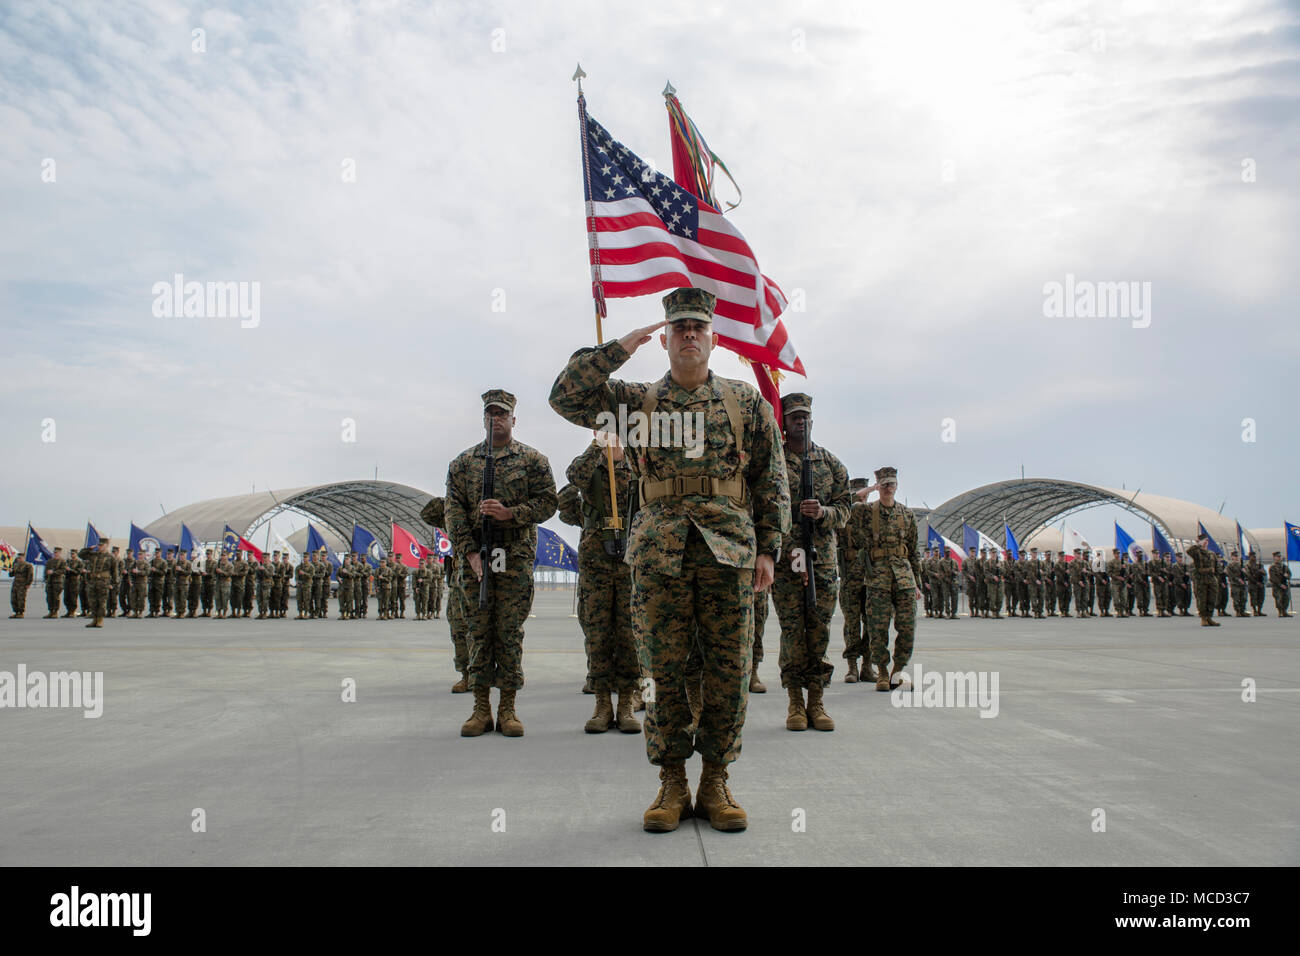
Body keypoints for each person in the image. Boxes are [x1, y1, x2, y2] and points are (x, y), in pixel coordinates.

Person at [549, 288, 789, 833]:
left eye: (697, 327)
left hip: (729, 553)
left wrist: (770, 549)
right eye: (678, 326)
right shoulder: (635, 405)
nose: (688, 334)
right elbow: (564, 397)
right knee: (661, 672)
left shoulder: (744, 401)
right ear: (664, 338)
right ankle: (672, 781)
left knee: (728, 671)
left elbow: (770, 480)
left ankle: (716, 780)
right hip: (659, 555)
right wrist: (620, 347)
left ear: (714, 338)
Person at [446, 388, 558, 740]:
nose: (496, 419)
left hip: (514, 556)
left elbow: (548, 503)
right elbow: (453, 512)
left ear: (514, 419)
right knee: (478, 630)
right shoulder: (463, 464)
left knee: (509, 631)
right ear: (483, 419)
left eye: (502, 414)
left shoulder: (532, 460)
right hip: (476, 557)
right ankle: (481, 708)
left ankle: (508, 708)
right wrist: (469, 552)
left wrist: (512, 514)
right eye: (490, 414)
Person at [772, 393, 850, 732]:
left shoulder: (831, 464)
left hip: (821, 562)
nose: (800, 421)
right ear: (785, 424)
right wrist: (784, 546)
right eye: (794, 417)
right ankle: (795, 702)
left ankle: (817, 700)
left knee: (818, 631)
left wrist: (823, 513)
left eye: (805, 416)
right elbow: (764, 508)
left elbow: (845, 510)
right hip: (788, 562)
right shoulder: (774, 463)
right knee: (792, 633)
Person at [560, 433, 640, 734]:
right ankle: (603, 703)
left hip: (630, 557)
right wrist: (597, 446)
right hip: (596, 558)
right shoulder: (591, 463)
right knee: (597, 631)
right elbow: (573, 476)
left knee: (630, 631)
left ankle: (627, 703)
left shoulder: (636, 462)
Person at [851, 467, 920, 691]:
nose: (889, 488)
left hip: (904, 577)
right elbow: (848, 506)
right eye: (884, 484)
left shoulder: (906, 514)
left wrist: (917, 583)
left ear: (897, 485)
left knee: (907, 627)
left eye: (892, 484)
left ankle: (897, 671)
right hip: (877, 577)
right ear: (878, 486)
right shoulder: (866, 512)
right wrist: (870, 489)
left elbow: (914, 551)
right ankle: (881, 671)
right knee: (877, 628)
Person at [77, 537, 114, 628]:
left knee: (102, 602)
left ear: (106, 546)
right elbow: (81, 554)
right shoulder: (94, 555)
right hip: (93, 581)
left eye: (102, 545)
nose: (100, 547)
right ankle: (94, 619)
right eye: (99, 545)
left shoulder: (110, 557)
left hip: (103, 582)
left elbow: (114, 572)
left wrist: (113, 584)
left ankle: (100, 620)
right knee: (92, 601)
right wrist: (90, 548)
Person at [1186, 533, 1221, 627]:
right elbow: (1189, 551)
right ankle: (1203, 618)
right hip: (1201, 579)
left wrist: (1217, 578)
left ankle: (1209, 617)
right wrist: (1198, 544)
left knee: (1212, 599)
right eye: (1204, 540)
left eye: (1207, 540)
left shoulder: (1212, 553)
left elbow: (1217, 567)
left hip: (1211, 579)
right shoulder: (1197, 552)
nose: (1206, 542)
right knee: (1202, 599)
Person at [8, 551, 33, 618]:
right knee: (13, 598)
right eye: (18, 558)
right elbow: (12, 575)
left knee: (21, 598)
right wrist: (11, 571)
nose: (19, 559)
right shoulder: (16, 565)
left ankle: (21, 612)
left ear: (24, 558)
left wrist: (28, 584)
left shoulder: (28, 565)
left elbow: (30, 575)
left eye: (20, 558)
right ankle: (16, 612)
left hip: (22, 584)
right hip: (15, 584)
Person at [43, 546, 66, 618]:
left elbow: (63, 570)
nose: (55, 554)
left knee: (56, 597)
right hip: (50, 582)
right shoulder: (50, 561)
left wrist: (54, 572)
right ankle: (50, 611)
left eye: (57, 552)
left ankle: (55, 611)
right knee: (49, 597)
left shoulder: (62, 561)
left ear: (60, 553)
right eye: (54, 552)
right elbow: (46, 570)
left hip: (57, 582)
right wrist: (46, 578)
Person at [1269, 551, 1292, 617]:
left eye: (1279, 557)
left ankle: (1284, 611)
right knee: (1279, 599)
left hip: (1285, 585)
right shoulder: (1272, 567)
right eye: (1277, 557)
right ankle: (1280, 612)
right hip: (1277, 586)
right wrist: (1280, 584)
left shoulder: (1284, 566)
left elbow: (1289, 574)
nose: (1279, 558)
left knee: (1286, 598)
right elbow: (1273, 578)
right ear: (1274, 558)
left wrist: (1287, 576)